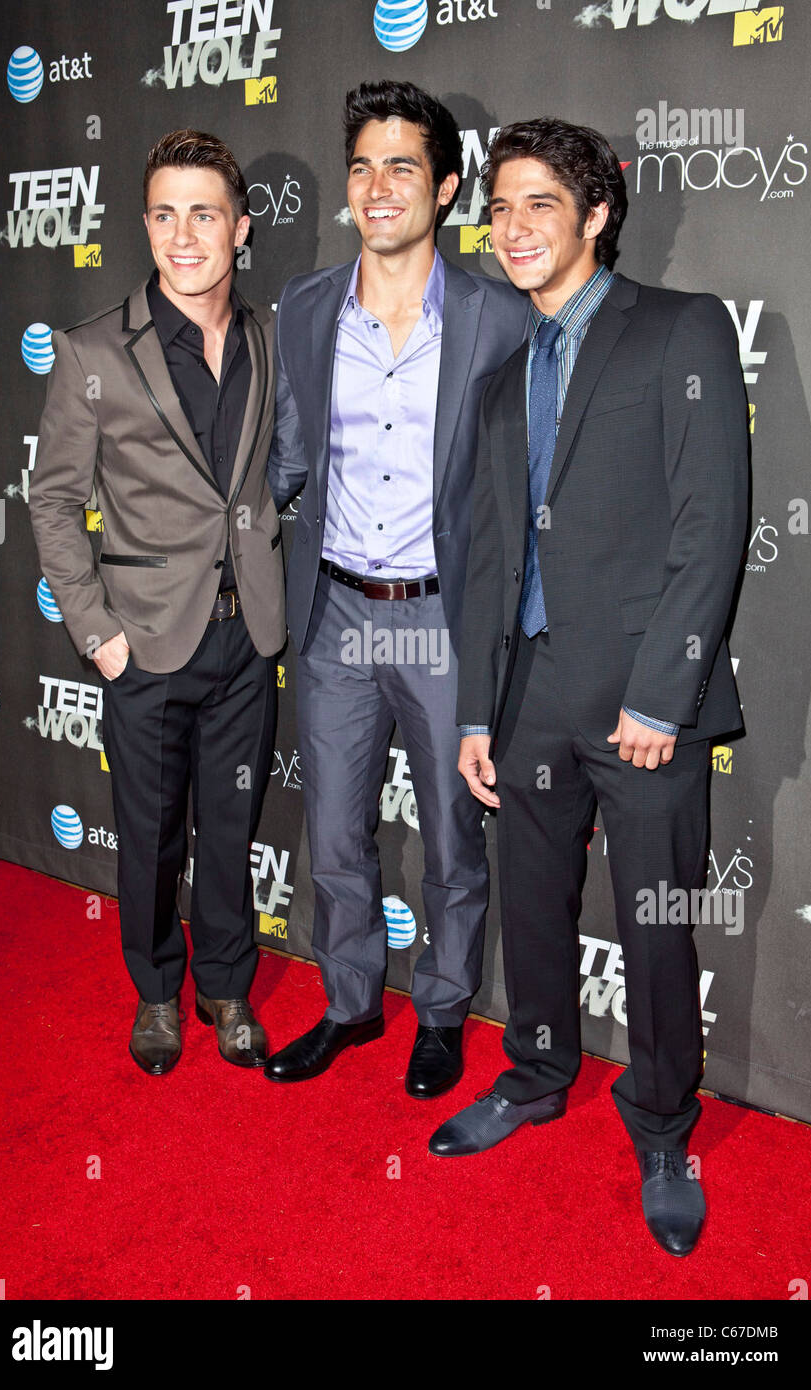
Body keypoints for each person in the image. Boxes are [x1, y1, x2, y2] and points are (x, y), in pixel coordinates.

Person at [429, 118, 748, 1257]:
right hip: (528, 697)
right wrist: (476, 707)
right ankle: (534, 1072)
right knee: (531, 908)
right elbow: (482, 558)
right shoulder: (501, 378)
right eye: (498, 208)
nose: (510, 230)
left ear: (595, 215)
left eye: (538, 207)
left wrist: (662, 697)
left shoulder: (679, 329)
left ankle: (661, 1122)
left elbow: (711, 528)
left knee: (656, 926)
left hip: (642, 701)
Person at [265, 81, 529, 1097]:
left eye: (402, 167)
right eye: (364, 167)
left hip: (440, 618)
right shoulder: (305, 304)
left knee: (451, 840)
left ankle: (446, 1011)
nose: (379, 188)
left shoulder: (497, 316)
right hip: (334, 611)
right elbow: (287, 453)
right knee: (334, 829)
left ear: (446, 186)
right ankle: (350, 1004)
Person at [29, 130, 284, 1076]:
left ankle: (226, 984)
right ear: (145, 224)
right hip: (142, 644)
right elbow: (52, 499)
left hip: (246, 638)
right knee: (149, 835)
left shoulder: (266, 338)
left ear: (240, 228)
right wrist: (96, 634)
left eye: (205, 214)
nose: (185, 237)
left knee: (231, 825)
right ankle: (155, 991)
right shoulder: (95, 349)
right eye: (166, 215)